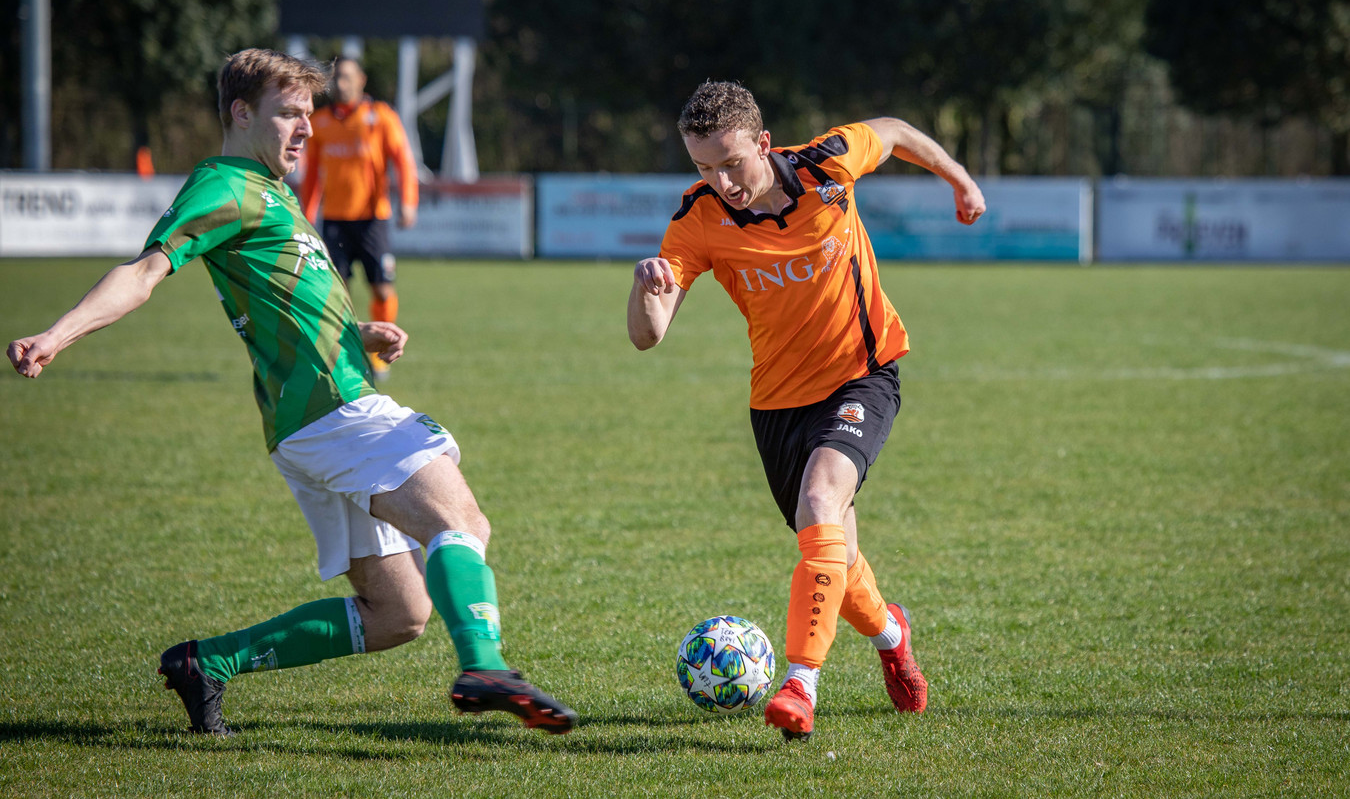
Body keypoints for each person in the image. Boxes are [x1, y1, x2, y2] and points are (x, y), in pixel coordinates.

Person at [8, 48, 576, 737]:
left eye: (309, 114)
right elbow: (145, 271)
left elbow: (282, 297)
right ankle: (486, 665)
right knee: (459, 519)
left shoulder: (272, 190)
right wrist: (57, 335)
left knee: (399, 614)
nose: (305, 128)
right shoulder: (223, 186)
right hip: (335, 413)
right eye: (288, 114)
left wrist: (357, 331)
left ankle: (206, 664)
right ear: (241, 113)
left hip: (312, 417)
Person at [628, 81, 985, 741]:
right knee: (834, 552)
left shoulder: (828, 161)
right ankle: (891, 633)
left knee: (820, 506)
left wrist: (958, 177)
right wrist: (646, 291)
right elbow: (649, 334)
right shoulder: (698, 218)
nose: (721, 180)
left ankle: (800, 684)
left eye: (731, 162)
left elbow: (898, 128)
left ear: (763, 143)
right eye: (704, 166)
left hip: (862, 377)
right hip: (778, 405)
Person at [301, 56, 419, 380]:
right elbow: (312, 174)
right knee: (337, 293)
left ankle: (380, 354)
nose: (340, 83)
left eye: (347, 77)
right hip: (335, 221)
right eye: (336, 77)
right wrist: (306, 214)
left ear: (362, 80)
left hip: (372, 219)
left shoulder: (380, 117)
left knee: (382, 289)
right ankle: (344, 354)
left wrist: (408, 202)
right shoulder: (320, 122)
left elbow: (404, 161)